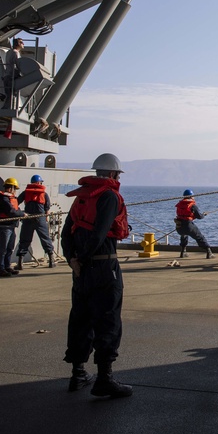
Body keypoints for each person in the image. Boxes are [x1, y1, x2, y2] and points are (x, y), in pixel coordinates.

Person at [62, 153, 133, 398]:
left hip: (80, 272)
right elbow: (100, 234)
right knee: (108, 320)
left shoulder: (81, 197)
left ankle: (78, 373)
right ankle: (104, 378)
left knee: (80, 318)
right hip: (104, 268)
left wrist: (73, 260)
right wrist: (81, 258)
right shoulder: (110, 196)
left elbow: (66, 233)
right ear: (114, 175)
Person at [15, 174, 57, 270]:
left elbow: (16, 202)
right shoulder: (44, 194)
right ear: (39, 182)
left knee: (24, 240)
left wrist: (21, 213)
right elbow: (47, 207)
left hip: (28, 217)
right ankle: (51, 261)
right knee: (45, 239)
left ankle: (20, 262)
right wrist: (45, 217)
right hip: (40, 218)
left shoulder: (25, 192)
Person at [0, 177, 26, 277]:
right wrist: (22, 214)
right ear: (10, 188)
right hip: (5, 227)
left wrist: (20, 213)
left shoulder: (10, 198)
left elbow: (16, 210)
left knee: (9, 248)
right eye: (15, 189)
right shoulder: (3, 199)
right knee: (3, 249)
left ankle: (7, 266)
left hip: (11, 226)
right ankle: (0, 269)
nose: (15, 191)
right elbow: (11, 211)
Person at [174, 190, 213, 259]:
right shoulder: (192, 205)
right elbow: (199, 216)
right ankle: (209, 252)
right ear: (191, 196)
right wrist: (204, 215)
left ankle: (183, 252)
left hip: (179, 226)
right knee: (200, 237)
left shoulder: (179, 204)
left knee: (183, 235)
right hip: (188, 225)